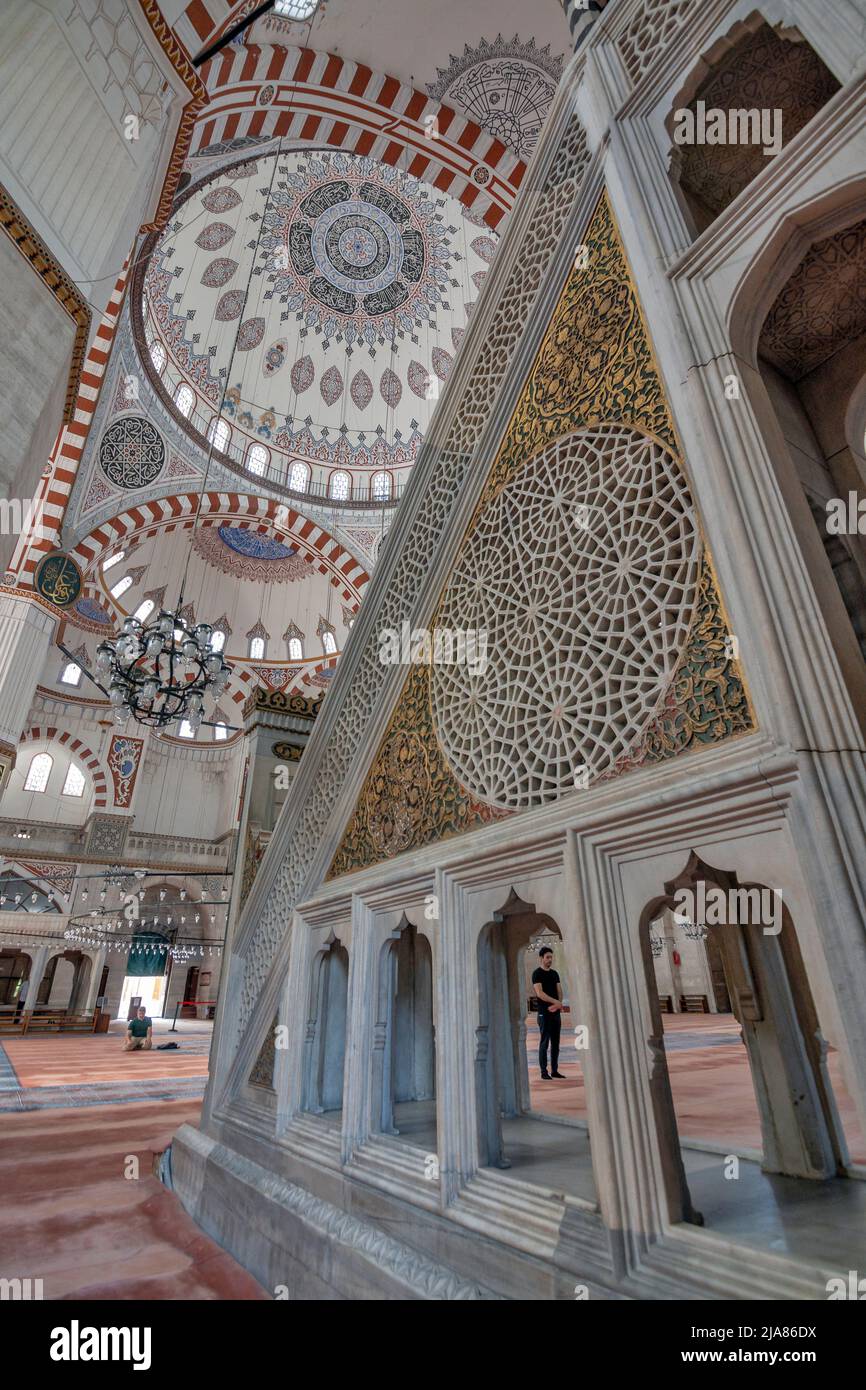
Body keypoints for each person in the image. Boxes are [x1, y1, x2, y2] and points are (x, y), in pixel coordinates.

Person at [531, 946, 565, 1079]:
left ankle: (554, 1071)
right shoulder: (537, 974)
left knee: (556, 1043)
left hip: (555, 1013)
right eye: (547, 957)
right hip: (543, 1013)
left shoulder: (555, 973)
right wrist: (555, 1003)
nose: (550, 960)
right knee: (544, 1042)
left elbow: (560, 991)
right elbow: (540, 993)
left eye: (551, 957)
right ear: (541, 958)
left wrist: (557, 1005)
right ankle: (544, 1072)